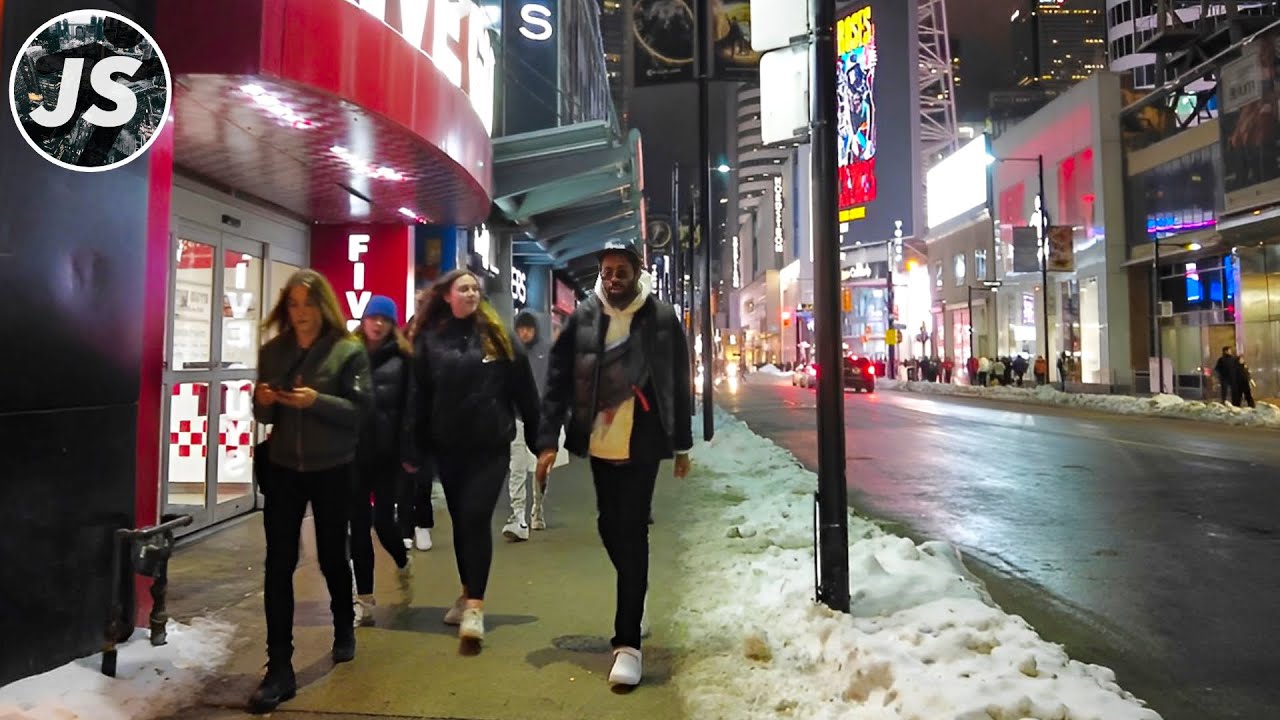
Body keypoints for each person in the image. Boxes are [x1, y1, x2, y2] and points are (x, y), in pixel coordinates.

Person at [535, 240, 693, 689]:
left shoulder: (660, 318)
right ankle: (635, 592)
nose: (613, 279)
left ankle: (627, 645)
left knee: (634, 530)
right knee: (609, 526)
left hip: (643, 440)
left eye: (621, 271)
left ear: (636, 272)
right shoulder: (584, 317)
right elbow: (557, 381)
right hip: (600, 440)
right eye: (607, 271)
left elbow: (678, 381)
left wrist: (682, 445)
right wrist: (547, 442)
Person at [250, 270, 372, 713]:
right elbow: (265, 417)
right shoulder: (274, 351)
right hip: (284, 467)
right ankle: (278, 667)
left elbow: (360, 412)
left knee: (332, 555)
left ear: (323, 306)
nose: (300, 313)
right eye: (293, 305)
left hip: (332, 467)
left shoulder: (347, 351)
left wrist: (315, 401)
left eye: (308, 304)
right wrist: (264, 400)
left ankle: (343, 622)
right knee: (279, 563)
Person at [409, 269, 540, 644]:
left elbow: (525, 392)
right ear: (447, 295)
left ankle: (475, 609)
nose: (470, 293)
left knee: (475, 517)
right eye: (463, 288)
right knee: (461, 522)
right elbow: (418, 398)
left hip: (490, 446)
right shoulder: (429, 340)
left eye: (475, 289)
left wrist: (540, 440)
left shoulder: (499, 337)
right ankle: (467, 592)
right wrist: (413, 447)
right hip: (449, 449)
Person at [350, 295, 415, 626]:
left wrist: (410, 451)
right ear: (363, 320)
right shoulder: (347, 354)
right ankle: (364, 599)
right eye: (373, 317)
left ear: (392, 325)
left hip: (388, 455)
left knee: (384, 523)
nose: (378, 324)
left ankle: (402, 560)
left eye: (385, 320)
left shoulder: (404, 359)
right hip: (353, 453)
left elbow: (411, 410)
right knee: (358, 525)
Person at [503, 310, 553, 541]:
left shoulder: (547, 351)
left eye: (528, 328)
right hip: (516, 417)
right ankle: (518, 516)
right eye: (520, 328)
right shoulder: (509, 352)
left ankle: (538, 508)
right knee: (517, 468)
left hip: (541, 419)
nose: (524, 333)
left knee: (541, 468)